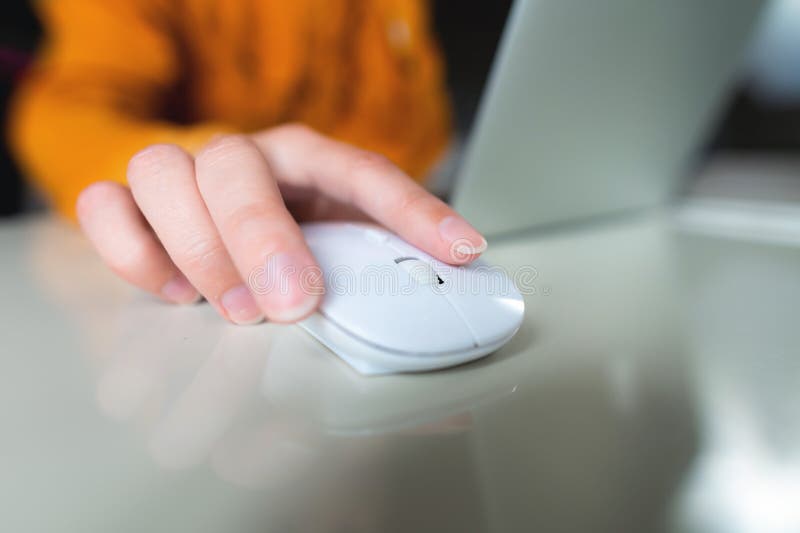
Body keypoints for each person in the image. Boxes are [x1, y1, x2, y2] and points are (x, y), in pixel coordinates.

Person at [8, 0, 487, 325]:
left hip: (397, 230)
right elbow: (70, 107)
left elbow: (415, 120)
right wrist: (194, 163)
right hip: (210, 260)